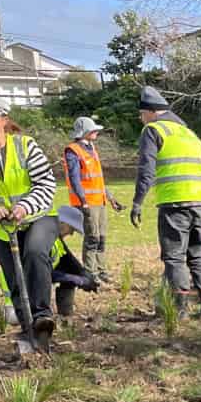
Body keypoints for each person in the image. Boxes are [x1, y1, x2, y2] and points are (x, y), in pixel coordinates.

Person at [0, 93, 58, 330]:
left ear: (4, 119)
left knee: (34, 252)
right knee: (13, 277)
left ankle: (42, 315)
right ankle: (27, 327)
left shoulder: (25, 146)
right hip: (1, 227)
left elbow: (46, 183)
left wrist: (24, 206)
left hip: (37, 218)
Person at [129, 85, 201, 318]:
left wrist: (137, 202)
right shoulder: (189, 133)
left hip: (174, 203)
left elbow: (146, 170)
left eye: (141, 114)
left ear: (151, 112)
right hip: (200, 201)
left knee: (174, 256)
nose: (140, 119)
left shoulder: (153, 130)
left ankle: (180, 310)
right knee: (197, 254)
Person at [63, 115, 123, 283]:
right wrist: (83, 201)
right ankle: (90, 272)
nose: (97, 131)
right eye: (93, 129)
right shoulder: (73, 150)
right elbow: (75, 179)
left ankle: (102, 270)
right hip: (87, 203)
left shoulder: (92, 148)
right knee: (92, 237)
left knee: (101, 237)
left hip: (100, 201)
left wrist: (111, 198)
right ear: (84, 132)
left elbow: (98, 179)